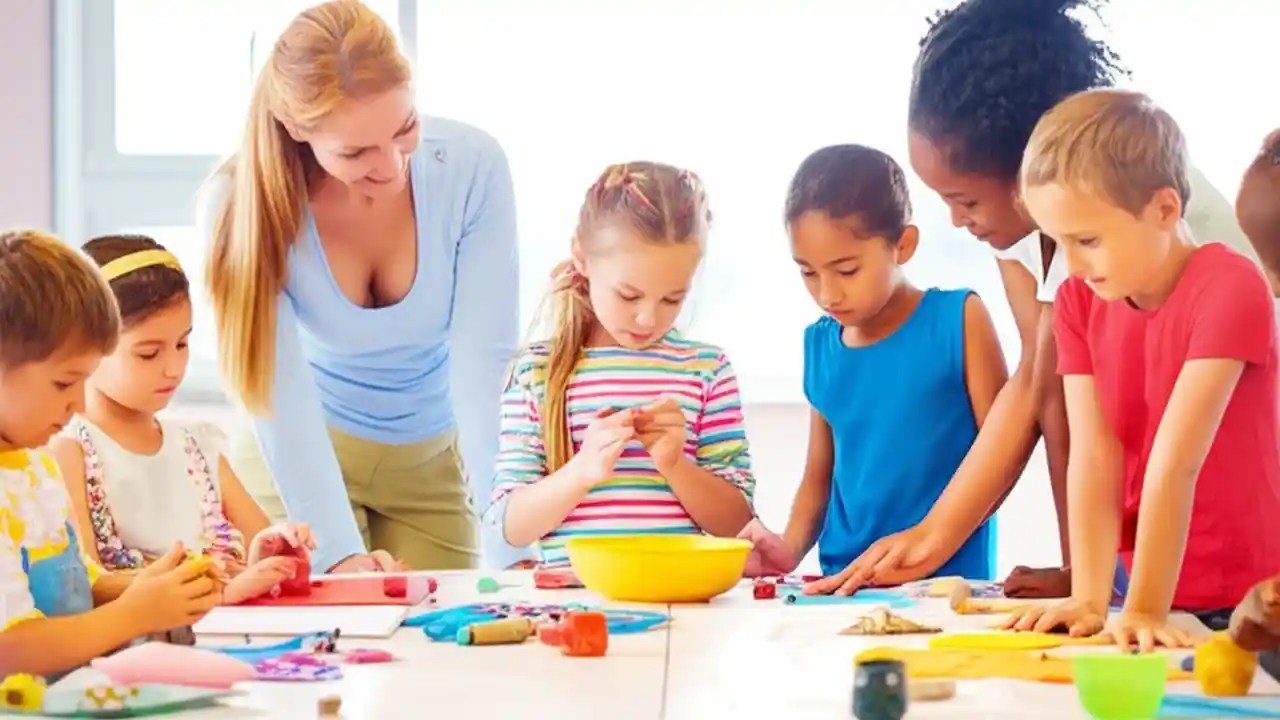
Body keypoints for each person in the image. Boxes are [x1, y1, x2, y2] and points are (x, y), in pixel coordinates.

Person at [835, 0, 1255, 597]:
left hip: (1230, 497)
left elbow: (1179, 451)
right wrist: (1081, 574)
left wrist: (1119, 592)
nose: (958, 222)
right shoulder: (1023, 225)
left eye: (969, 202)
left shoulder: (1149, 228)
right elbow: (1045, 379)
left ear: (1037, 161)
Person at [199, 0, 523, 574]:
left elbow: (482, 368)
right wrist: (339, 553)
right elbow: (279, 387)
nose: (393, 167)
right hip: (301, 457)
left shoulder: (472, 169)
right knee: (308, 645)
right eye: (355, 152)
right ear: (297, 129)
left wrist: (512, 536)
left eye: (405, 129)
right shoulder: (240, 201)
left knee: (446, 643)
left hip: (429, 458)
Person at [1003, 89, 1280, 651]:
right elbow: (1094, 455)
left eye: (1087, 240)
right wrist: (1089, 594)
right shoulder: (1080, 302)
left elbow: (1176, 463)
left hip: (1245, 596)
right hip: (1140, 588)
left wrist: (1146, 608)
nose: (1072, 265)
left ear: (1164, 210)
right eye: (1058, 242)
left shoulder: (1231, 287)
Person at [737, 145, 1007, 592]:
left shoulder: (959, 319)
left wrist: (931, 544)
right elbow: (818, 480)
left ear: (904, 244)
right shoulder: (819, 344)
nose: (827, 294)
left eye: (846, 270)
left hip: (945, 583)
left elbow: (1003, 457)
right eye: (808, 273)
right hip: (842, 582)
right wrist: (786, 548)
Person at [484, 162, 755, 565]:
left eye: (672, 299)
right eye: (629, 296)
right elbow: (508, 529)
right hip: (574, 610)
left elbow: (738, 525)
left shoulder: (706, 369)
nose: (648, 319)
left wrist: (675, 466)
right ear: (582, 257)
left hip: (680, 606)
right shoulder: (537, 372)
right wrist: (583, 470)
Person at [48, 234, 330, 605]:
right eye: (148, 354)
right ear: (86, 347)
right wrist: (215, 588)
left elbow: (257, 544)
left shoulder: (197, 443)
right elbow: (88, 582)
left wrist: (271, 550)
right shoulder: (71, 448)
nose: (173, 368)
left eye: (182, 344)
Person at [0, 230, 218, 679]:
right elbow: (10, 650)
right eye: (64, 383)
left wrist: (158, 587)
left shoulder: (34, 461)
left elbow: (80, 584)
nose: (79, 404)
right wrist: (134, 614)